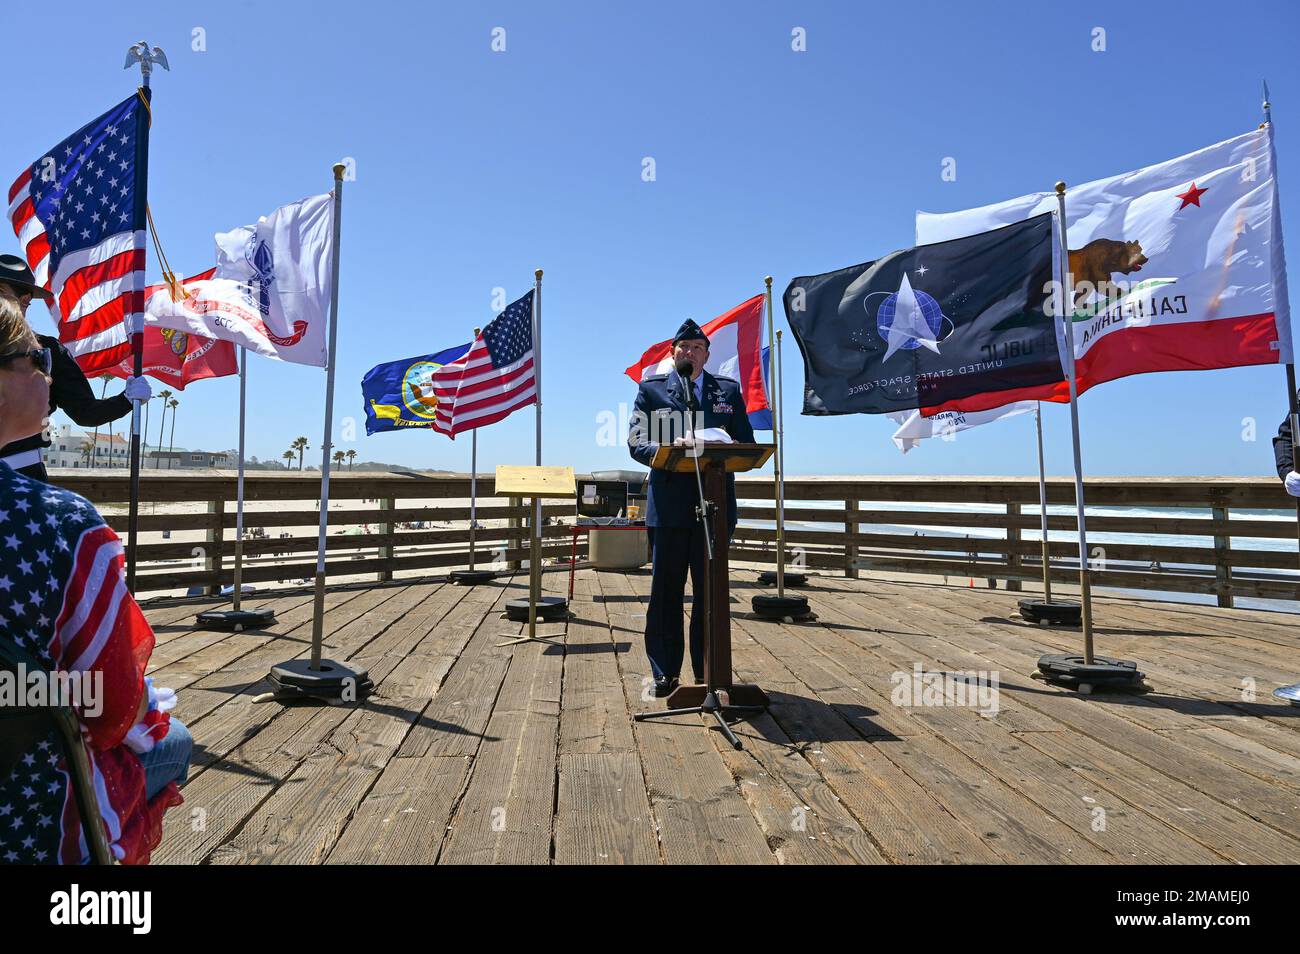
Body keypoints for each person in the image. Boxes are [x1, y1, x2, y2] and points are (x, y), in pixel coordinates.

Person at [0, 296, 190, 864]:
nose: (50, 375)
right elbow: (109, 709)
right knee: (174, 739)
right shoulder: (65, 526)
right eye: (38, 361)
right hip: (27, 816)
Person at [628, 319, 755, 697]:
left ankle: (708, 670)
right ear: (672, 354)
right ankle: (665, 672)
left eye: (697, 347)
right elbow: (636, 443)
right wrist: (668, 450)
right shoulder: (652, 391)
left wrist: (722, 445)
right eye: (682, 347)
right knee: (666, 592)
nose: (689, 352)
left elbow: (745, 442)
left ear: (707, 355)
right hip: (668, 507)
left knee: (709, 592)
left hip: (714, 506)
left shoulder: (727, 392)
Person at [0, 253, 151, 481]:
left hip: (23, 476)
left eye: (1, 293)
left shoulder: (48, 351)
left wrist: (126, 400)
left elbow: (85, 413)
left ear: (24, 301)